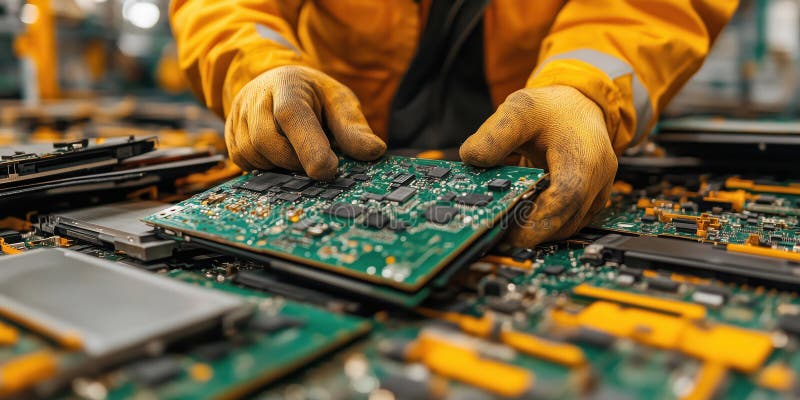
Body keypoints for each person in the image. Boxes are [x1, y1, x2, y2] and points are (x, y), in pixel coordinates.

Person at [170, 1, 737, 246]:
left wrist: (584, 89)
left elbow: (653, 9)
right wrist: (259, 70)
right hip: (329, 151)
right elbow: (225, 6)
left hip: (529, 152)